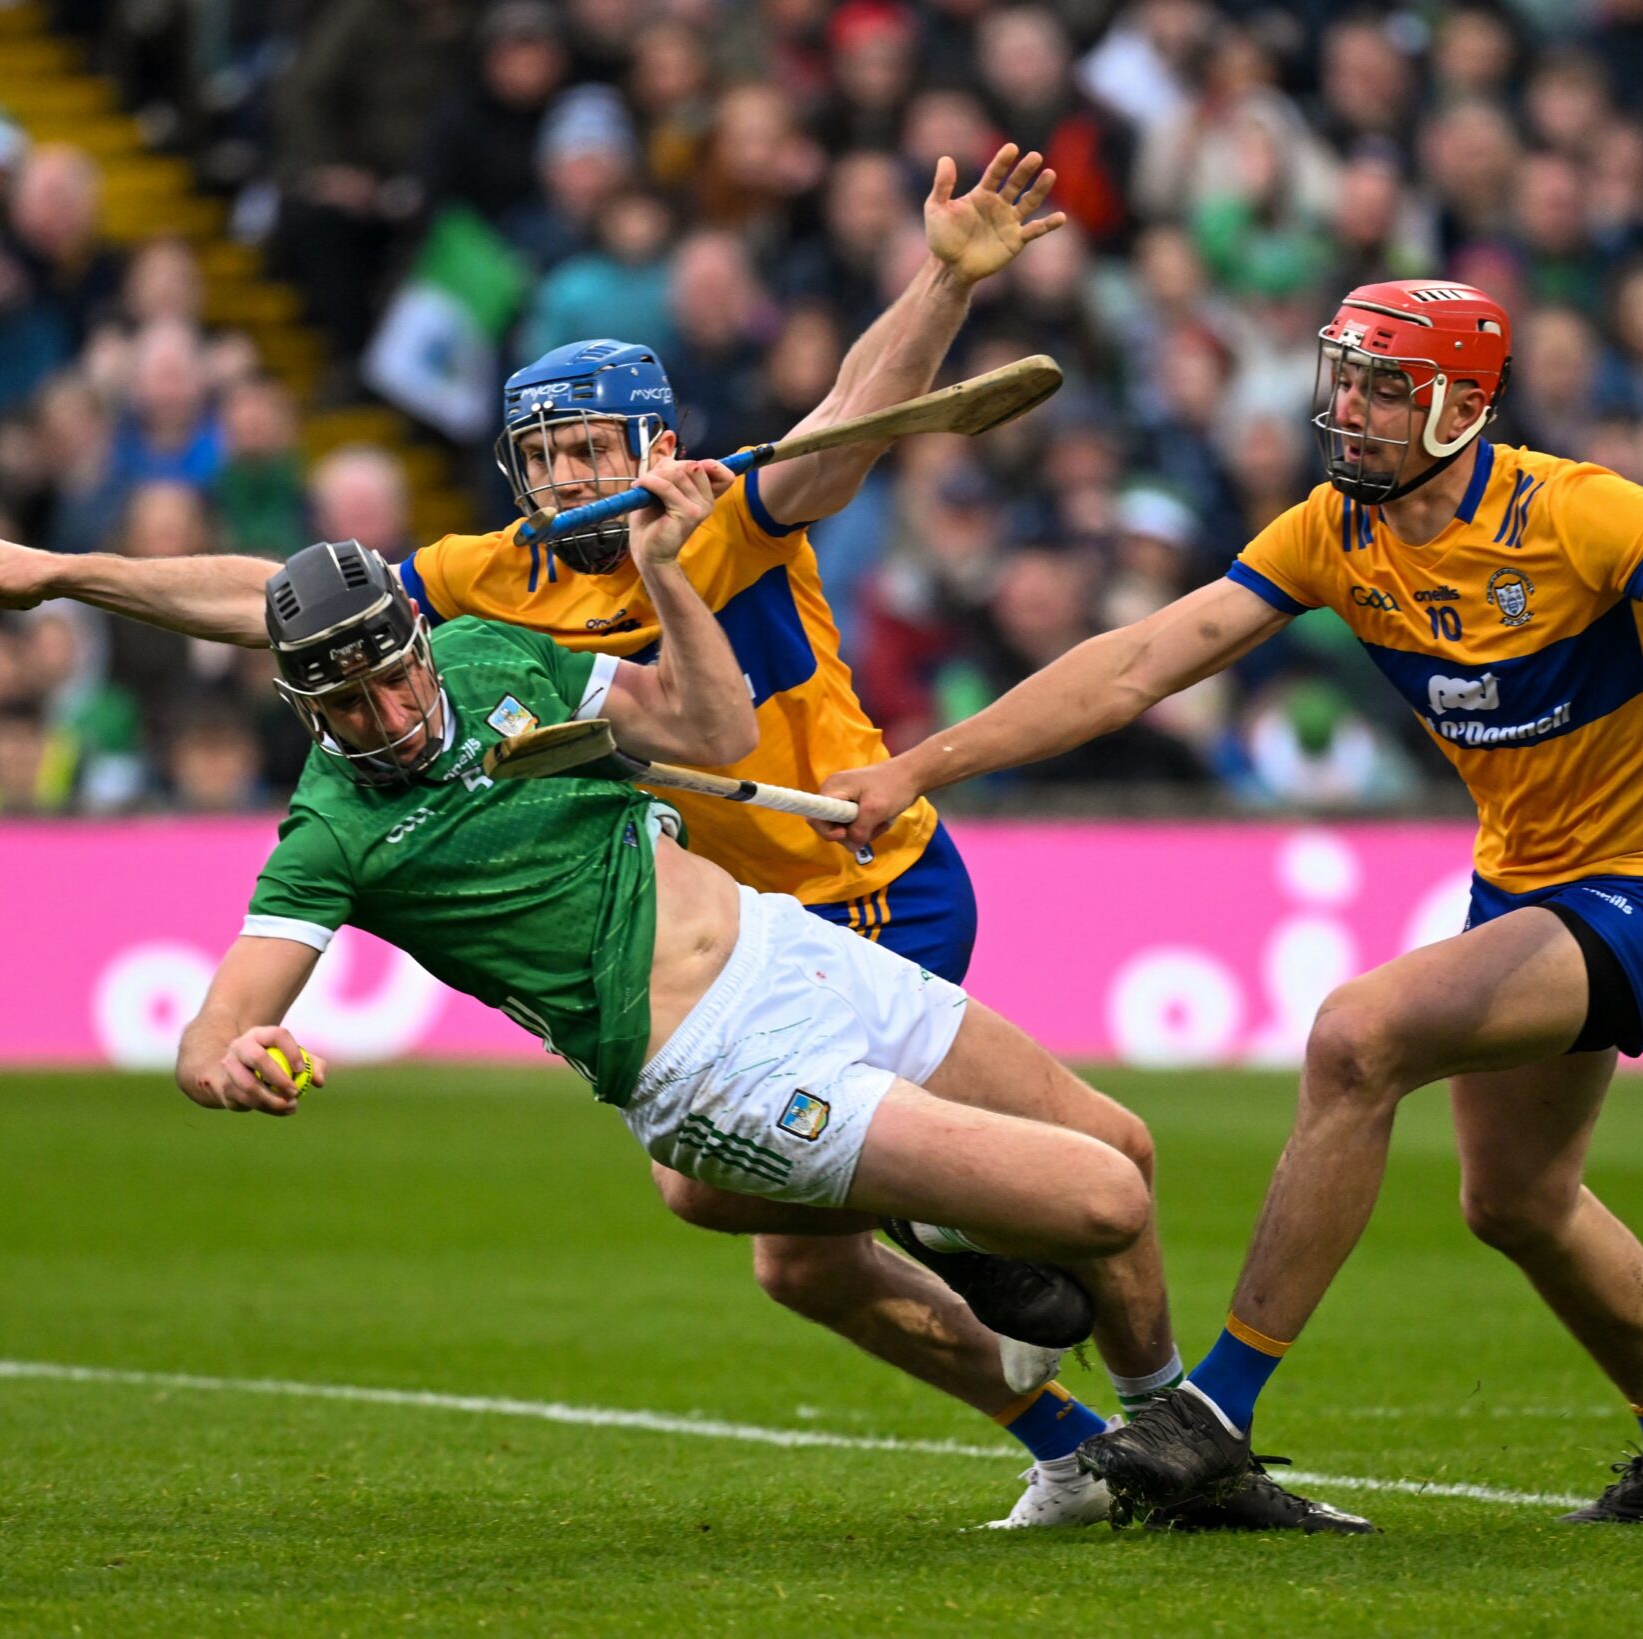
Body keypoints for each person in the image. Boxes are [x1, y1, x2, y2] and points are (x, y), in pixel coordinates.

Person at [0, 144, 1199, 1525]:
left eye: (589, 450)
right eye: (540, 456)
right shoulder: (485, 589)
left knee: (920, 1205)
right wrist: (67, 573)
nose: (562, 478)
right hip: (719, 935)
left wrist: (946, 281)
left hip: (872, 885)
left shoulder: (734, 514)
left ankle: (1049, 1315)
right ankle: (1065, 1421)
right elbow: (287, 598)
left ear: (651, 448)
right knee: (780, 1244)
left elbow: (861, 408)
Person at [821, 279, 1643, 1529]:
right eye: (1342, 378)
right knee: (1515, 1202)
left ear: (1463, 406)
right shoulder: (1329, 531)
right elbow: (1141, 660)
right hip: (1519, 885)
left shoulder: (1569, 510)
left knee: (1356, 1035)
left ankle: (1213, 1409)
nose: (1346, 409)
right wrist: (919, 765)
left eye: (1380, 387)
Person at [182, 481, 1180, 1528]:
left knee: (1119, 1141)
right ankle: (1126, 1413)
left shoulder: (489, 654)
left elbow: (708, 726)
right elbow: (217, 1024)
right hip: (716, 1069)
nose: (387, 719)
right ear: (302, 708)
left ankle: (1158, 1446)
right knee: (1099, 1197)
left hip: (788, 945)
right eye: (347, 707)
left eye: (393, 681)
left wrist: (663, 570)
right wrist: (223, 1058)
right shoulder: (330, 833)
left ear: (420, 649)